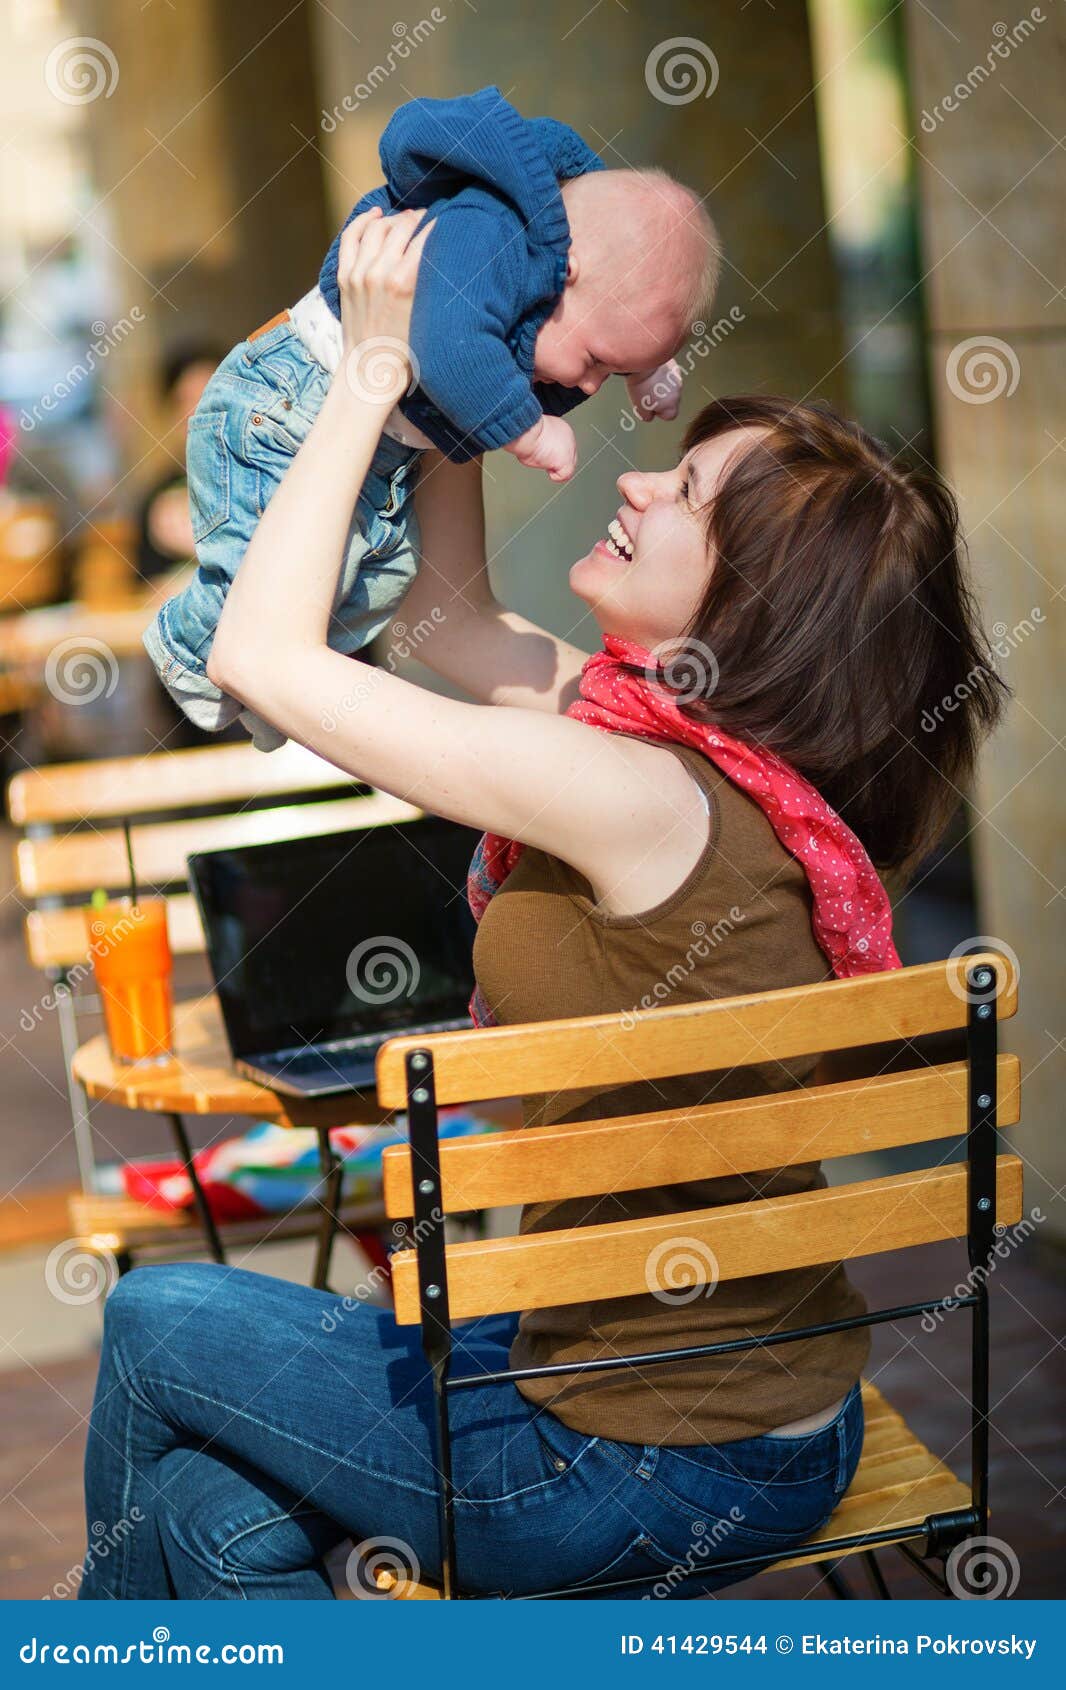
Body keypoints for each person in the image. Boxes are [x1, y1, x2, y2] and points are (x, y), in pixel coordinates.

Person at [79, 210, 1004, 1601]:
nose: (633, 485)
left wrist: (370, 378)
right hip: (719, 1408)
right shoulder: (701, 770)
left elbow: (262, 658)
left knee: (157, 1313)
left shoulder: (637, 796)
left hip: (631, 1459)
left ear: (754, 612)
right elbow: (442, 620)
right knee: (213, 1519)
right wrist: (469, 371)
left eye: (681, 493)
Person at [142, 86, 717, 750]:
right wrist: (401, 372)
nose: (588, 385)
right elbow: (445, 346)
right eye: (596, 361)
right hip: (283, 401)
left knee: (381, 569)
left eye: (611, 373)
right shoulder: (488, 256)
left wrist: (644, 368)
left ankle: (285, 672)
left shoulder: (520, 321)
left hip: (375, 426)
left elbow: (446, 617)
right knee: (261, 575)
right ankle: (196, 648)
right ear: (564, 272)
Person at [134, 340, 224, 582]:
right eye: (187, 401)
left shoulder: (265, 483)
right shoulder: (160, 501)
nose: (200, 413)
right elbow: (146, 589)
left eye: (210, 395)